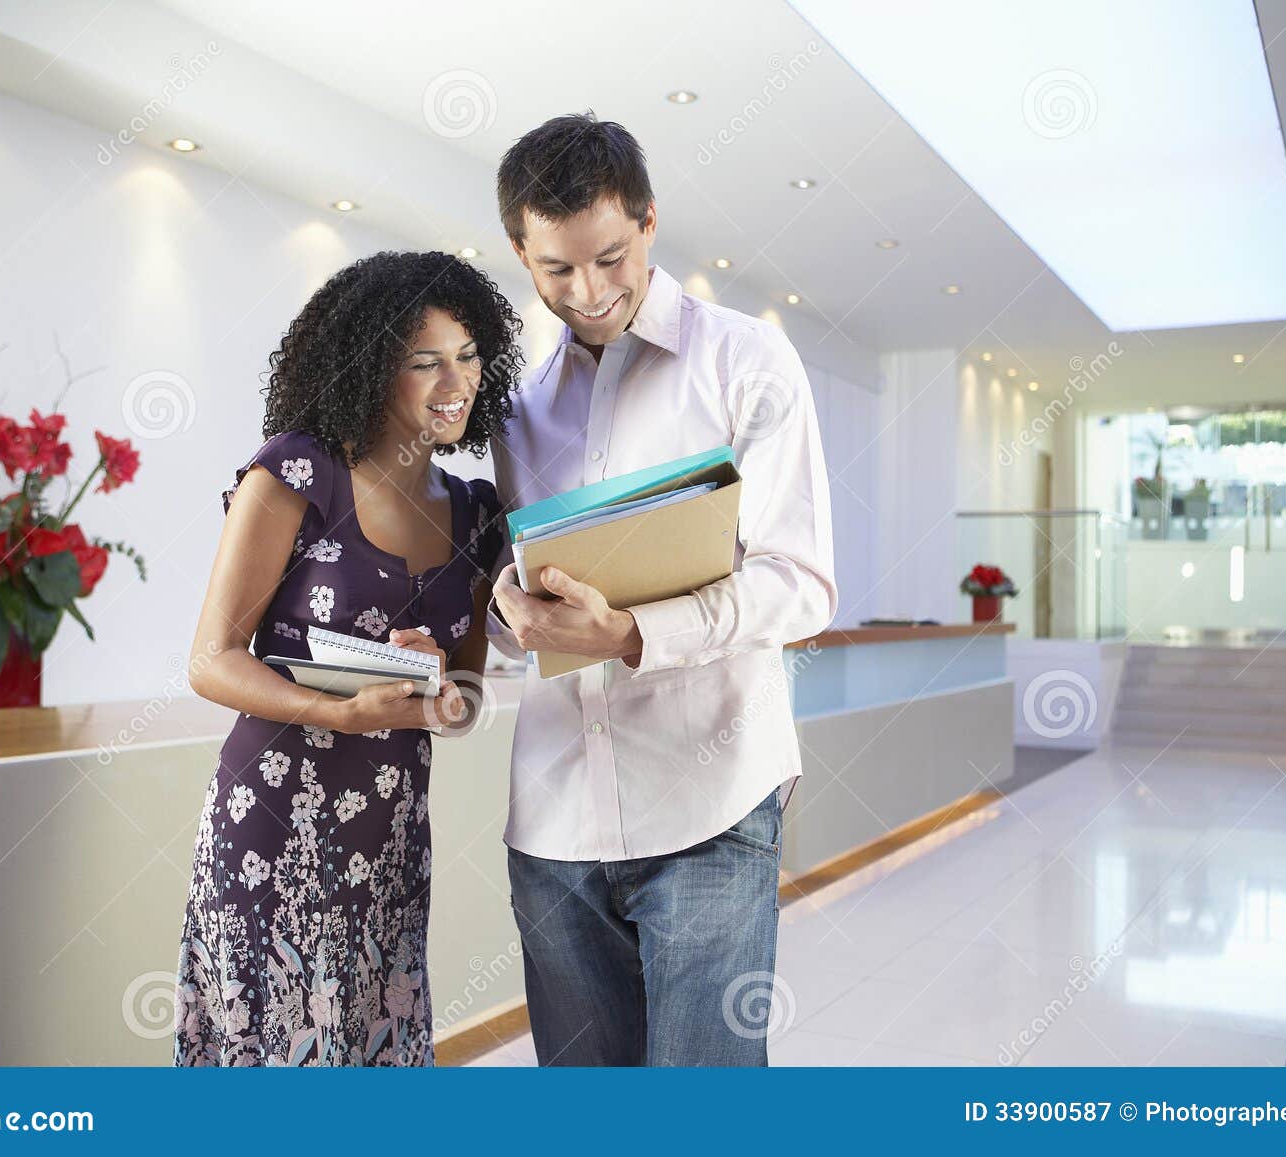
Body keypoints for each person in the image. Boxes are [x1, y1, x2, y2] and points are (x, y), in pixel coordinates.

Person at [486, 114, 837, 1066]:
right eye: (556, 269)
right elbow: (511, 589)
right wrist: (504, 612)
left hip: (710, 803)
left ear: (648, 223)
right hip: (556, 818)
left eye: (608, 257)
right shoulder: (515, 412)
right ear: (522, 252)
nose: (588, 292)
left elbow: (802, 585)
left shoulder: (747, 361)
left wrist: (636, 631)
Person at [175, 251, 521, 1066]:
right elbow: (211, 659)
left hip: (390, 837)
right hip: (272, 822)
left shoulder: (476, 512)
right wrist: (340, 709)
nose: (455, 383)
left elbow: (465, 697)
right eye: (425, 362)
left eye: (468, 357)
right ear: (372, 367)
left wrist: (435, 684)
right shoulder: (300, 470)